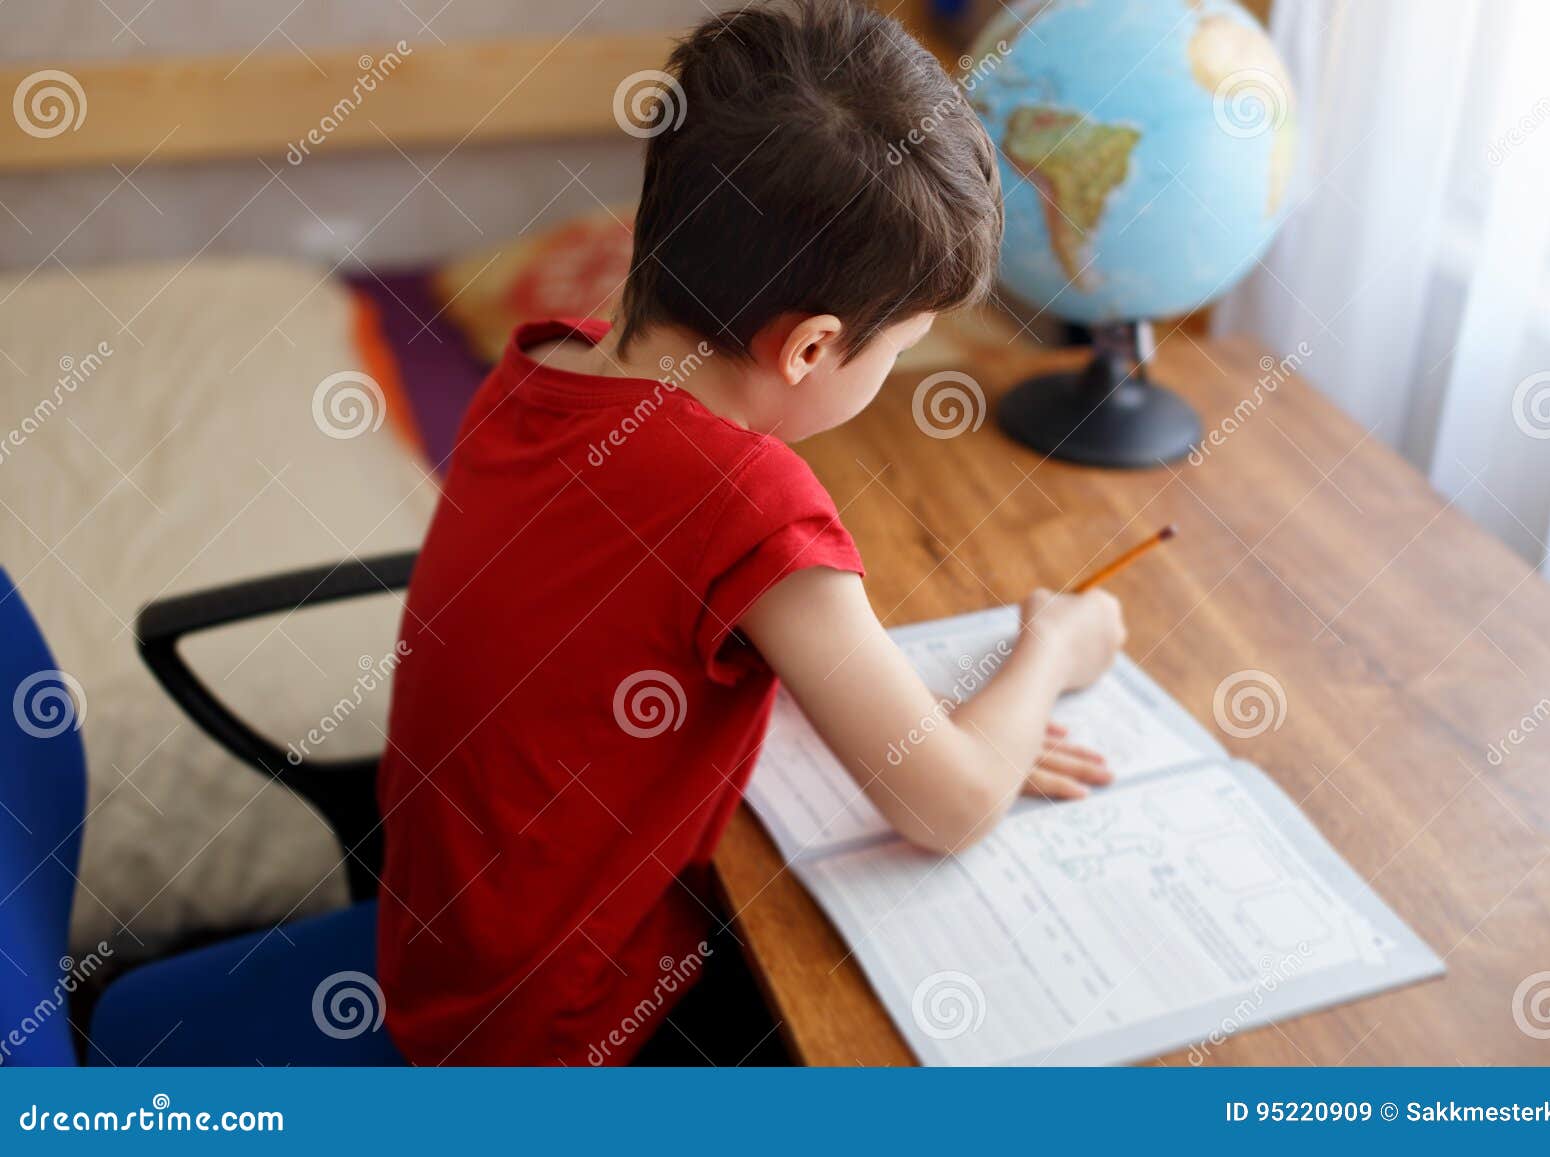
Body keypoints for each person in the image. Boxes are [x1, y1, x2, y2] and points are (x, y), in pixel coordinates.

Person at [376, 0, 1125, 1066]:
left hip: (441, 972)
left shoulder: (541, 359)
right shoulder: (746, 502)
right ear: (814, 349)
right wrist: (1049, 647)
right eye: (900, 346)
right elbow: (952, 803)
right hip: (563, 1043)